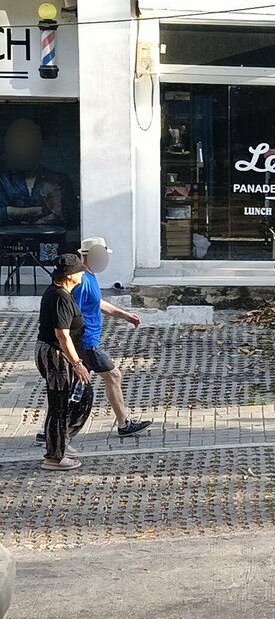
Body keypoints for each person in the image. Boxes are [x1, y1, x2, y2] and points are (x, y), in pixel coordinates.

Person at [35, 236, 152, 441]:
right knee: (113, 376)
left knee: (71, 388)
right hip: (86, 342)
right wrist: (76, 351)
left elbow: (96, 302)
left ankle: (48, 431)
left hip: (86, 342)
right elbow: (72, 312)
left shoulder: (89, 276)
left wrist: (123, 315)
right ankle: (124, 423)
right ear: (87, 256)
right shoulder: (79, 281)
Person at [36, 253, 93, 471]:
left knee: (80, 396)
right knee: (59, 404)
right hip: (56, 355)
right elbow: (62, 335)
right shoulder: (59, 296)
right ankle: (54, 456)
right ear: (69, 276)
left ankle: (61, 442)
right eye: (79, 271)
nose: (82, 273)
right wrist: (77, 363)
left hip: (62, 354)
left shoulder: (63, 293)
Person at [0, 117, 77, 227]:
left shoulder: (59, 181)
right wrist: (14, 212)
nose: (21, 146)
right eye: (16, 140)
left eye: (27, 140)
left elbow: (69, 218)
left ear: (40, 144)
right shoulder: (2, 181)